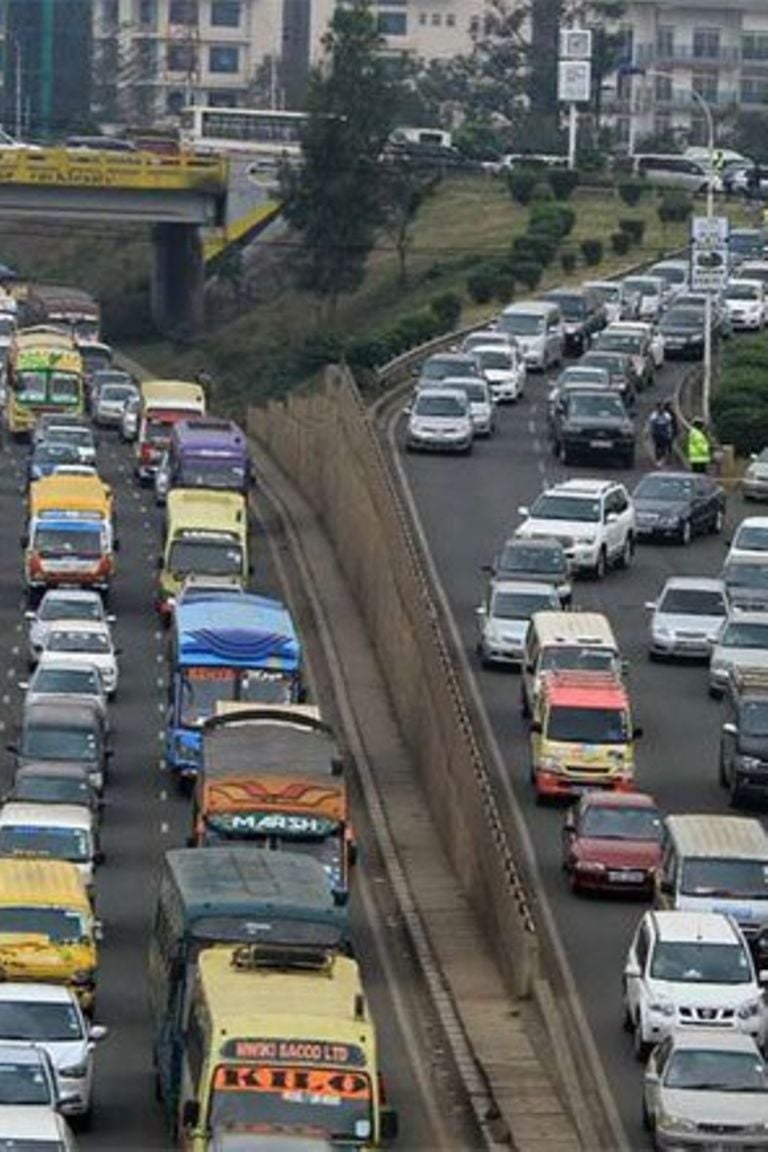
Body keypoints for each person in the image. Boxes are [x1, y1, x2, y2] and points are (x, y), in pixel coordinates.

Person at [648, 402, 673, 467]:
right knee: (657, 446)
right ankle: (658, 459)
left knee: (663, 447)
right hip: (656, 433)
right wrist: (649, 432)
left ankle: (662, 459)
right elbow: (651, 424)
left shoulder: (667, 415)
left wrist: (669, 433)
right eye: (659, 407)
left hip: (664, 433)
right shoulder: (654, 415)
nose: (661, 409)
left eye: (662, 407)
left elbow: (669, 425)